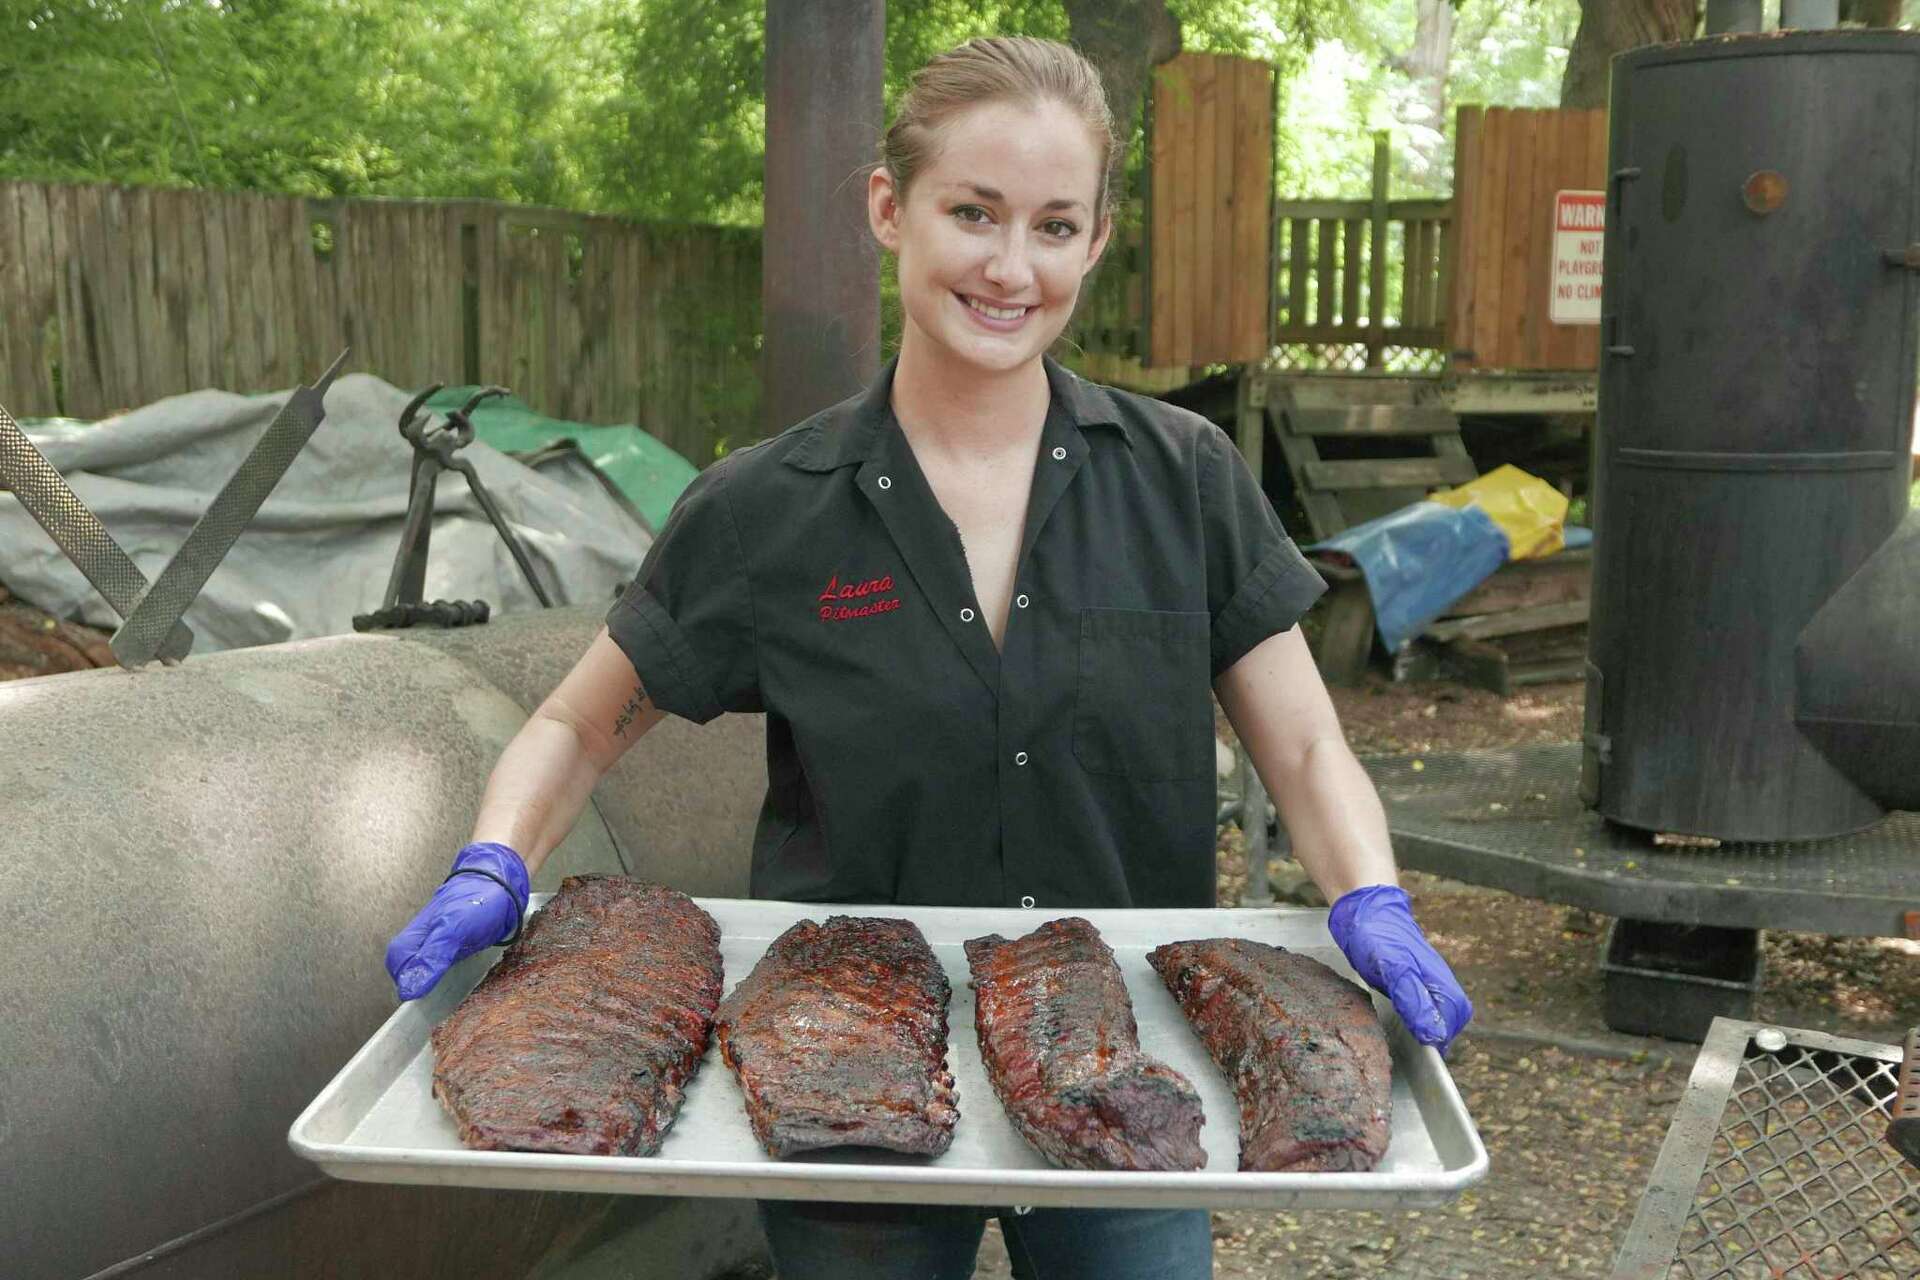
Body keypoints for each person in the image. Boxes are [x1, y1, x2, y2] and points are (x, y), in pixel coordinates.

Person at [385, 35, 1471, 1280]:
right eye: (975, 213)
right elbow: (577, 725)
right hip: (849, 1074)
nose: (1013, 267)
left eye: (1056, 226)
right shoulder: (769, 509)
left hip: (1125, 1067)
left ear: (1097, 240)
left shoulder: (1186, 482)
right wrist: (494, 859)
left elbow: (1306, 742)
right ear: (890, 210)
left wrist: (1371, 896)